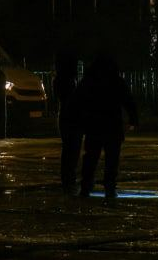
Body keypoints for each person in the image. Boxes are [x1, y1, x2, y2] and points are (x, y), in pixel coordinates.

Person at [73, 53, 138, 200]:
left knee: (91, 157)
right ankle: (109, 187)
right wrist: (133, 119)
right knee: (111, 159)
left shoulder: (89, 81)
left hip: (94, 125)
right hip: (112, 124)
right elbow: (128, 101)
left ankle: (86, 186)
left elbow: (78, 101)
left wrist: (79, 121)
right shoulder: (116, 81)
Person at [54, 48, 82, 193]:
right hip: (72, 117)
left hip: (65, 116)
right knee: (72, 149)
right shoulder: (69, 81)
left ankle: (67, 179)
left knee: (68, 149)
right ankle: (69, 179)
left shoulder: (59, 79)